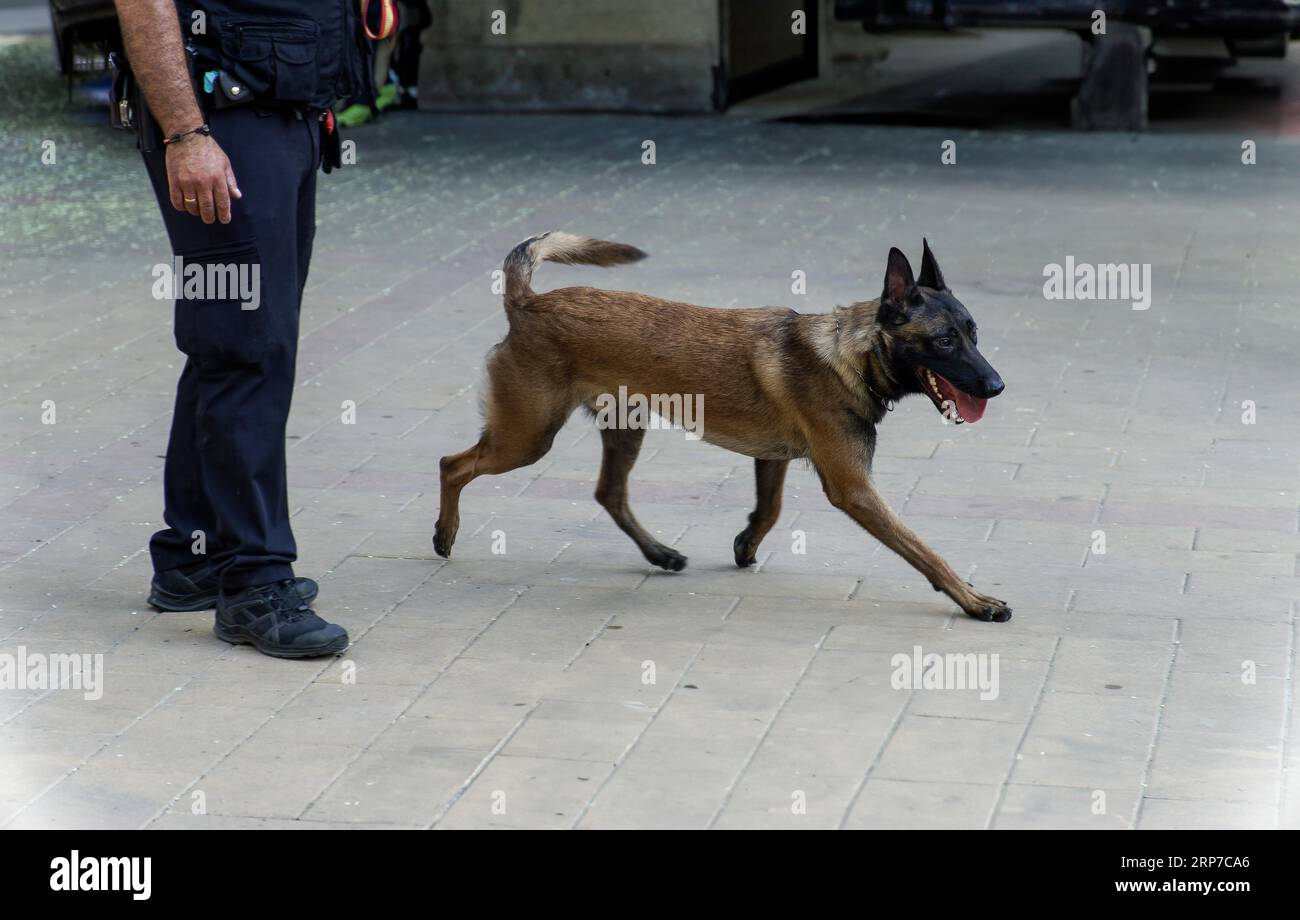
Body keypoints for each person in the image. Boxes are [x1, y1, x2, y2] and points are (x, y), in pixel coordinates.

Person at [114, 0, 372, 658]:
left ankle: (192, 554)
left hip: (281, 114)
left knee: (228, 341)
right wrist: (185, 134)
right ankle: (254, 583)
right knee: (248, 350)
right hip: (219, 123)